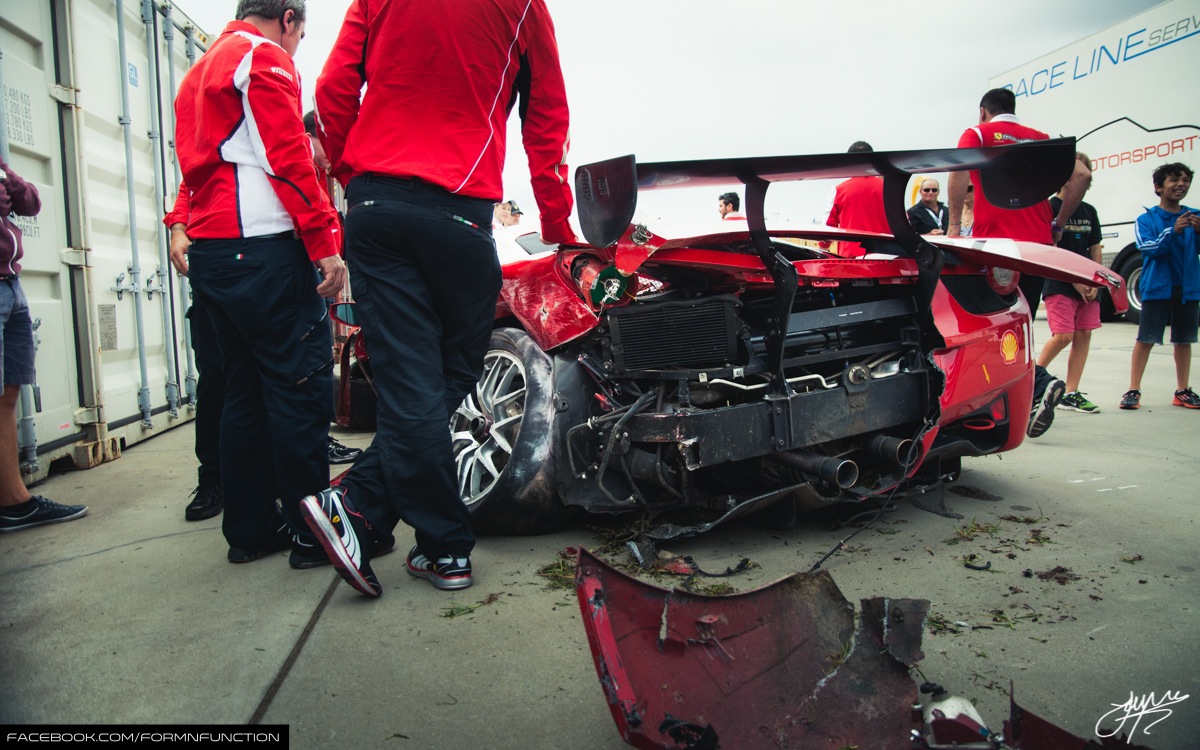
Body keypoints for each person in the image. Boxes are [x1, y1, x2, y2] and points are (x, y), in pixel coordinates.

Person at [302, 0, 575, 597]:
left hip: (377, 206)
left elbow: (332, 89)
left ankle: (362, 506)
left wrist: (352, 173)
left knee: (415, 385)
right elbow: (547, 121)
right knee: (449, 377)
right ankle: (438, 542)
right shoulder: (525, 7)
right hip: (460, 213)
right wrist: (557, 223)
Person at [167, 0, 348, 567]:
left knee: (242, 393)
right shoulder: (262, 56)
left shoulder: (197, 72)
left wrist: (180, 224)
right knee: (301, 390)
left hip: (214, 256)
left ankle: (248, 532)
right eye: (300, 34)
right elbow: (288, 155)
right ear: (287, 18)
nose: (296, 47)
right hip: (264, 250)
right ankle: (312, 535)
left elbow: (194, 168)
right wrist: (324, 241)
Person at [946, 88, 1092, 439]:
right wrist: (1058, 224)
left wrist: (953, 227)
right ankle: (1031, 393)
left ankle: (1036, 385)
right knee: (1019, 323)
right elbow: (1082, 176)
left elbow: (958, 171)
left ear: (983, 111)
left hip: (997, 247)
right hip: (1036, 246)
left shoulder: (978, 133)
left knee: (991, 328)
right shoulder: (1040, 139)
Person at [0, 159, 89, 533]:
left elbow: (30, 202)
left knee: (8, 394)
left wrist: (7, 178)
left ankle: (13, 503)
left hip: (9, 285)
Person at [302, 109, 362, 466]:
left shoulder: (320, 175)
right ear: (313, 135)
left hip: (317, 279)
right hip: (306, 276)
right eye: (332, 141)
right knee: (312, 364)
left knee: (317, 362)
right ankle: (315, 444)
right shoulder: (299, 169)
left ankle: (317, 440)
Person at [1120, 162, 1200, 411]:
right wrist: (1172, 231)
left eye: (1186, 180)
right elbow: (1148, 248)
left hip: (1188, 288)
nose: (1181, 184)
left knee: (1184, 340)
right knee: (1146, 339)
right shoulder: (1147, 219)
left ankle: (1182, 390)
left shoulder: (1195, 216)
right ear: (1158, 187)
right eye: (1174, 180)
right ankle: (1133, 389)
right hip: (1157, 287)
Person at [1036, 153, 1103, 414]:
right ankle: (1034, 381)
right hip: (1059, 282)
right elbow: (1049, 249)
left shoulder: (1089, 211)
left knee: (1084, 334)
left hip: (1087, 284)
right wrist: (1074, 280)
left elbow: (1095, 247)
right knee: (1064, 335)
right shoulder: (1049, 208)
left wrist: (1095, 279)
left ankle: (1072, 393)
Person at [822, 141, 887, 257]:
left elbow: (826, 233)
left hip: (852, 260)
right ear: (873, 160)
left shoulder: (838, 191)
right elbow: (904, 224)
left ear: (849, 162)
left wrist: (823, 246)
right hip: (886, 258)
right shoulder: (889, 190)